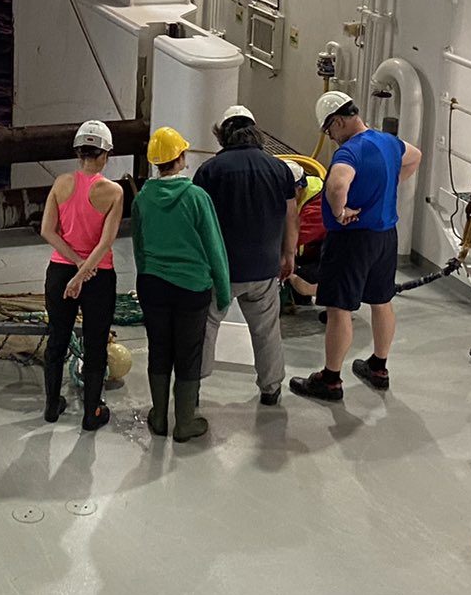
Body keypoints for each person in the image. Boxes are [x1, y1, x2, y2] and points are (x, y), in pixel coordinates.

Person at [291, 91, 419, 401]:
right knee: (381, 301)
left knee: (339, 310)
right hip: (385, 236)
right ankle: (378, 366)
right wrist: (388, 185)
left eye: (329, 131)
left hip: (351, 240)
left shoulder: (349, 152)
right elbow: (415, 156)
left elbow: (336, 185)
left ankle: (330, 380)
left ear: (337, 121)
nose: (331, 138)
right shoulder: (388, 141)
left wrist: (339, 212)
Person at [192, 105, 297, 406]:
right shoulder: (279, 169)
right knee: (266, 330)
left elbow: (198, 221)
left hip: (220, 270)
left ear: (223, 134)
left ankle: (193, 387)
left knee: (205, 326)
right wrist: (288, 254)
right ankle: (271, 388)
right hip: (264, 267)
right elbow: (291, 216)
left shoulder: (210, 171)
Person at [132, 127, 231, 442]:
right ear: (181, 158)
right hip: (191, 288)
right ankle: (185, 423)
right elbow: (214, 247)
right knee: (188, 353)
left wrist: (146, 276)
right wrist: (223, 291)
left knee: (159, 349)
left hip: (152, 284)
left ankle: (160, 417)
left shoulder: (143, 198)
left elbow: (138, 246)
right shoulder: (196, 197)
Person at [39, 119, 124, 430]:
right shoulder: (113, 192)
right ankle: (92, 413)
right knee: (95, 343)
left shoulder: (61, 184)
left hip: (60, 272)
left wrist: (75, 264)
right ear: (106, 154)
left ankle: (51, 406)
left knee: (57, 339)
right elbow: (105, 243)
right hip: (98, 276)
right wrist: (84, 271)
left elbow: (47, 231)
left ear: (78, 153)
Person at [283, 160, 326, 313]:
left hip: (331, 258)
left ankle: (338, 297)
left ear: (299, 188)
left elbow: (295, 236)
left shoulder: (318, 205)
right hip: (311, 252)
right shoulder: (300, 195)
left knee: (300, 282)